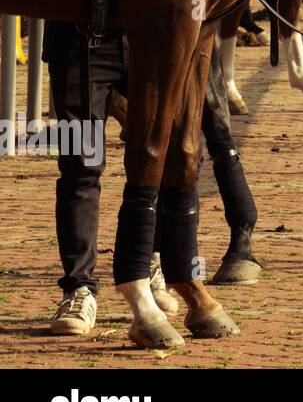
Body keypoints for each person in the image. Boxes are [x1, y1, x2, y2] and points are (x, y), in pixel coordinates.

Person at [44, 24, 260, 335]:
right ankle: (79, 288)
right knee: (80, 164)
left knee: (171, 155)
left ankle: (151, 258)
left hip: (154, 38)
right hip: (81, 45)